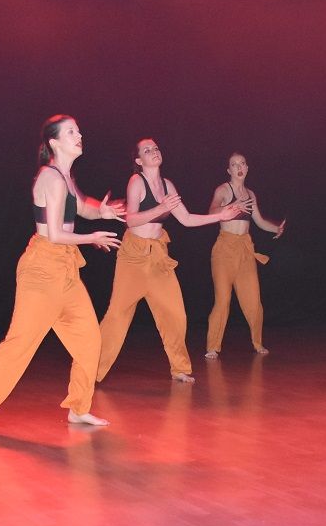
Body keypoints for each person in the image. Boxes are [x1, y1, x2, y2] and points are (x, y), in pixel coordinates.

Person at [0, 116, 124, 438]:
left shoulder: (65, 176)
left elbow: (82, 207)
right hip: (42, 271)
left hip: (65, 271)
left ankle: (78, 408)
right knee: (19, 345)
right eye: (72, 132)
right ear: (54, 143)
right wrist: (92, 238)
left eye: (79, 130)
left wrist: (102, 211)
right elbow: (54, 234)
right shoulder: (52, 179)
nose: (80, 135)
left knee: (90, 340)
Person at [97, 138, 244, 384]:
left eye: (155, 148)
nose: (154, 152)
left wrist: (221, 214)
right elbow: (131, 220)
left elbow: (186, 219)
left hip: (158, 257)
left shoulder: (167, 185)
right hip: (133, 258)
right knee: (117, 316)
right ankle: (91, 369)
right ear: (138, 160)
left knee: (175, 314)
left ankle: (179, 368)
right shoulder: (137, 182)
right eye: (147, 150)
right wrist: (160, 208)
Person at [205, 152, 285, 359]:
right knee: (223, 300)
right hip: (224, 249)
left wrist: (275, 228)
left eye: (242, 163)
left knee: (253, 301)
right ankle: (213, 346)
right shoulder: (223, 189)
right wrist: (231, 206)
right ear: (229, 170)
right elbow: (212, 211)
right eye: (234, 164)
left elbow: (258, 221)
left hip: (245, 250)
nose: (239, 167)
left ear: (247, 168)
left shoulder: (251, 194)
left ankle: (257, 342)